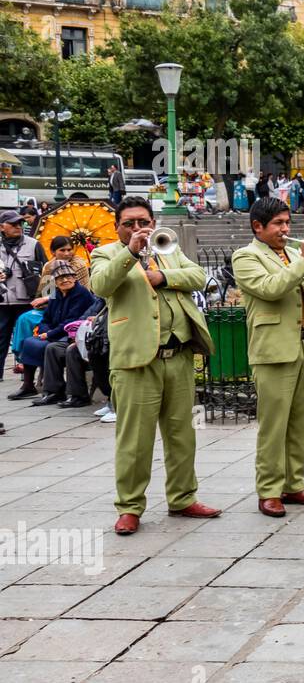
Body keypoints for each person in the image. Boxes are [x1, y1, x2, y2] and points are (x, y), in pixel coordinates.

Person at [90, 196, 220, 535]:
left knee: (182, 434)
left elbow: (197, 275)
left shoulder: (168, 248)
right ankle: (130, 507)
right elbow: (101, 285)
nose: (138, 229)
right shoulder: (105, 254)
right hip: (136, 360)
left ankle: (182, 498)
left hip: (177, 356)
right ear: (117, 227)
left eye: (143, 222)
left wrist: (162, 275)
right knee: (135, 439)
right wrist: (131, 252)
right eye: (129, 223)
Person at [232, 198, 304, 519]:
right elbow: (272, 288)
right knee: (273, 426)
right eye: (278, 224)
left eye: (287, 222)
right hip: (273, 350)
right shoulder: (245, 256)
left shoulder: (292, 255)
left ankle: (294, 483)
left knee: (300, 423)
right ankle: (269, 490)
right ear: (257, 227)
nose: (285, 229)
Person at [12, 261, 100, 404]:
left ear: (75, 278)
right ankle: (33, 386)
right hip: (58, 332)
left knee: (52, 348)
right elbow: (46, 318)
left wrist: (50, 335)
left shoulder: (80, 293)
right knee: (29, 342)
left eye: (68, 276)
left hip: (71, 333)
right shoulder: (55, 294)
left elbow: (72, 321)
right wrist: (46, 331)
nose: (65, 280)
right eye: (60, 278)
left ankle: (58, 392)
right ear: (55, 282)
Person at [1, 208, 47, 385]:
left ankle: (26, 375)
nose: (18, 226)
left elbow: (46, 271)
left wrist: (45, 298)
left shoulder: (33, 244)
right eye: (13, 224)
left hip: (26, 299)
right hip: (2, 299)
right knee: (1, 338)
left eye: (20, 223)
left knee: (27, 337)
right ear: (1, 227)